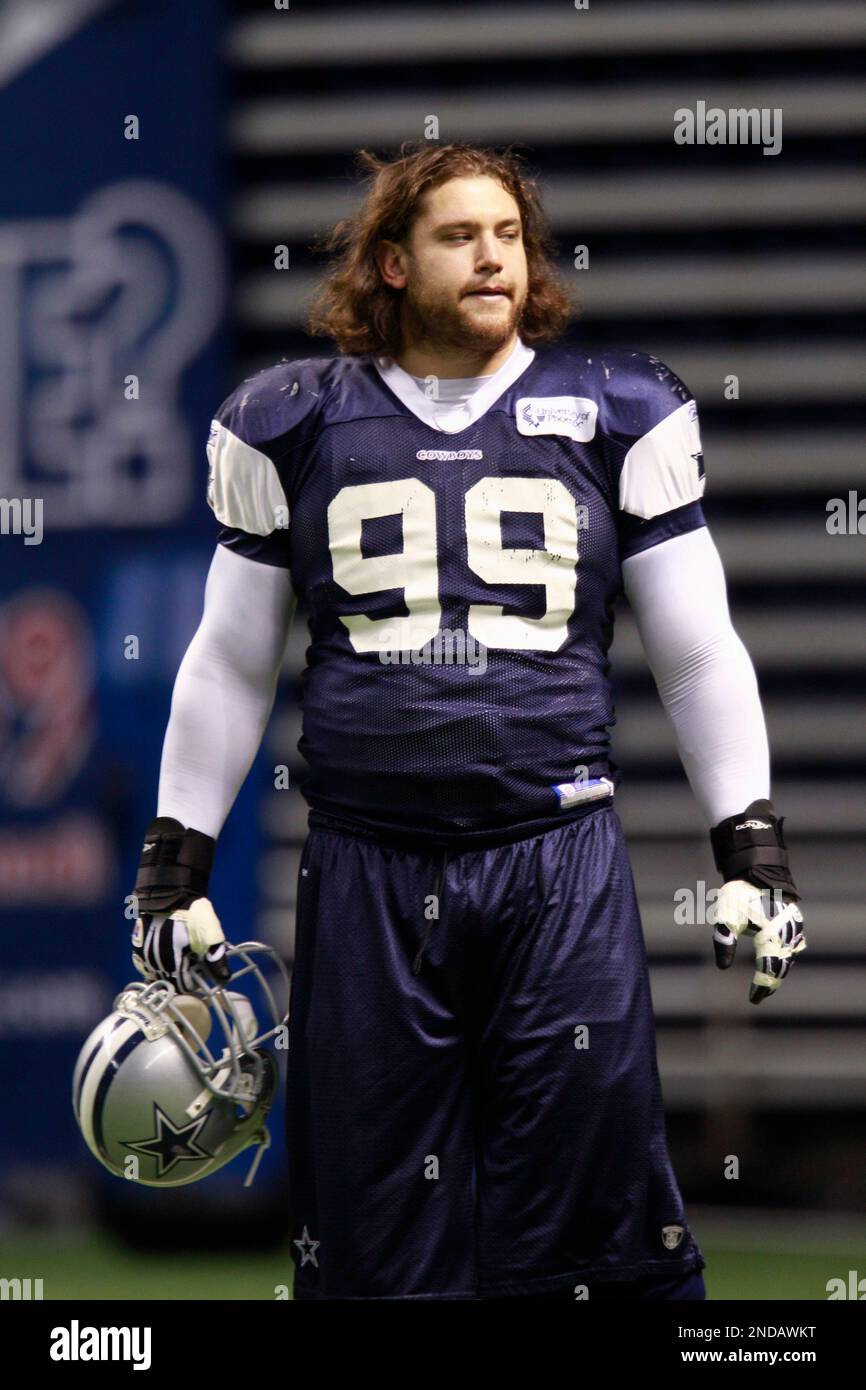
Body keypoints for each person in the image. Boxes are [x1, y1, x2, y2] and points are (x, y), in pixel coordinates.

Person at [129, 142, 806, 1301]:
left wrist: (747, 845)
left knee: (593, 1227)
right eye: (458, 235)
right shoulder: (291, 420)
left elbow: (695, 652)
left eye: (508, 234)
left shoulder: (615, 410)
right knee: (371, 1235)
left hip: (557, 860)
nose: (493, 256)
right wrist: (171, 864)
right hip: (365, 867)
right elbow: (232, 661)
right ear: (390, 264)